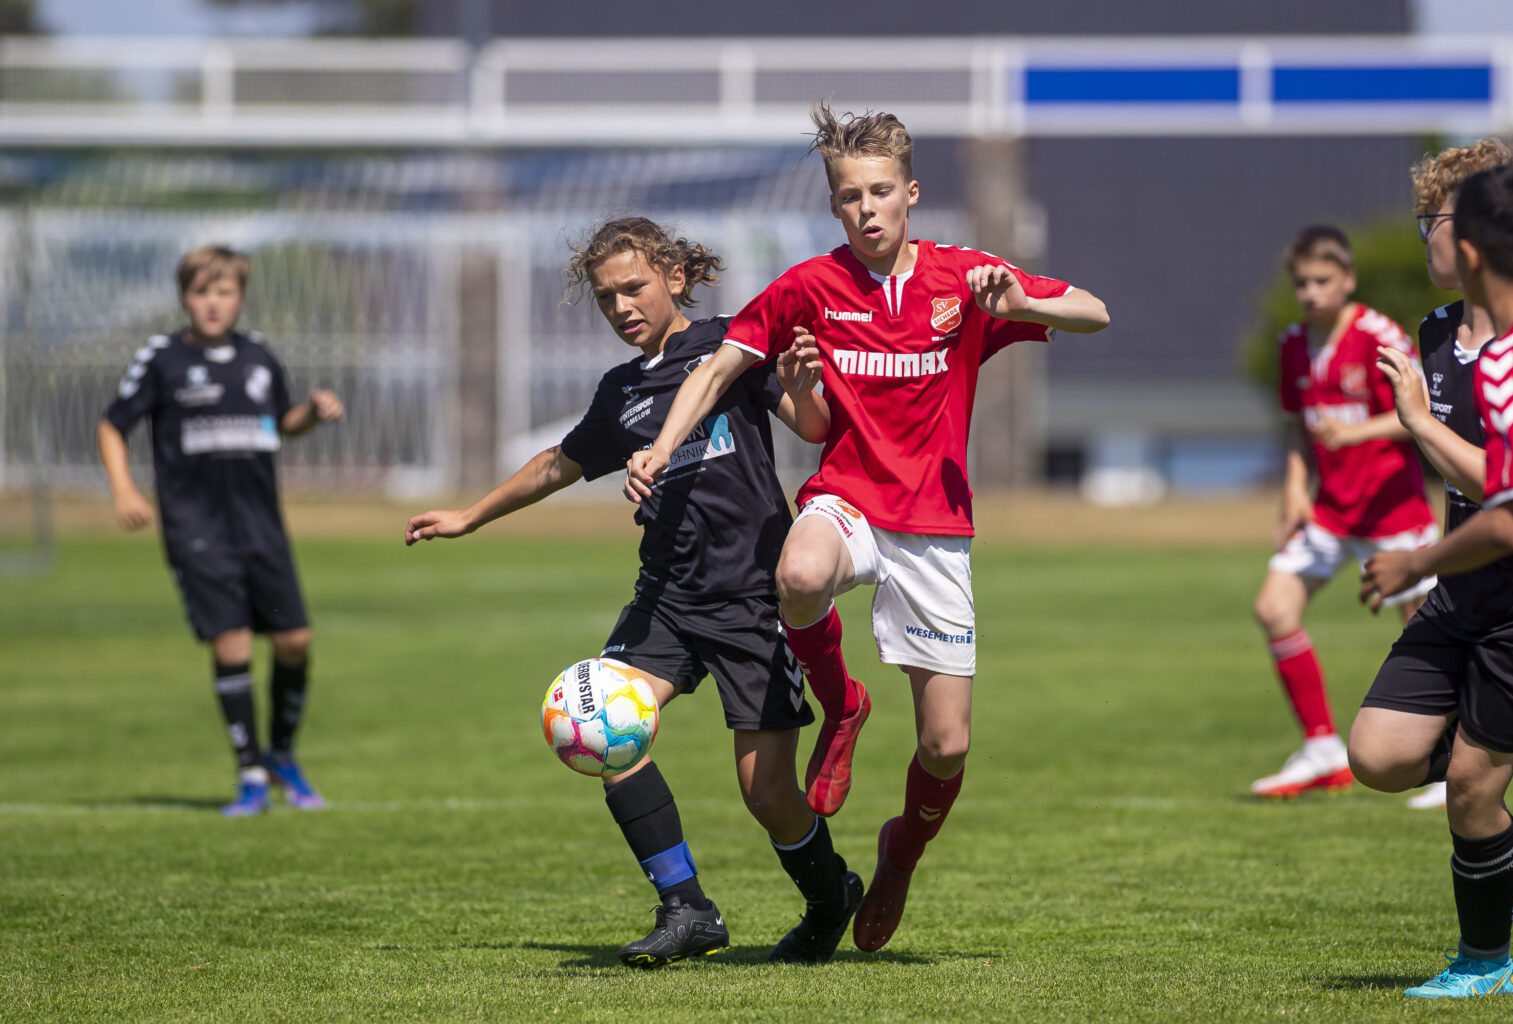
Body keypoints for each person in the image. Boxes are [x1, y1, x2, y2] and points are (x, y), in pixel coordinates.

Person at [623, 103, 1109, 953]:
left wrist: (1021, 296)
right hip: (848, 498)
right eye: (851, 196)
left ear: (911, 194)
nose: (868, 209)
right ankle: (843, 703)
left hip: (934, 523)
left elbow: (1095, 312)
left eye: (882, 191)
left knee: (947, 746)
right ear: (836, 204)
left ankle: (899, 856)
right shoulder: (811, 287)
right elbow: (722, 365)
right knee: (800, 572)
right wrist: (662, 446)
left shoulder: (964, 278)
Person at [405, 217, 863, 968]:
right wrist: (469, 515)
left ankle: (828, 897)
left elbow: (811, 426)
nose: (622, 307)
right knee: (598, 721)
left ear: (674, 278)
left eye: (634, 288)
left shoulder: (732, 343)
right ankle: (687, 908)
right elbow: (559, 463)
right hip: (667, 600)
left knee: (766, 795)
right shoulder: (621, 392)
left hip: (753, 597)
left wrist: (803, 385)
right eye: (606, 296)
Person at [1358, 162, 1513, 999]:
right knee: (1379, 754)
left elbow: (1510, 493)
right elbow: (1464, 489)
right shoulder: (1433, 334)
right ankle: (1487, 747)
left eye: (1433, 216)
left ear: (1470, 239)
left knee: (1470, 788)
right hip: (1465, 588)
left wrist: (1419, 426)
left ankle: (1485, 962)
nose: (1423, 229)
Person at [97, 244, 344, 816]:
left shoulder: (258, 355)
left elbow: (280, 424)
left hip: (261, 525)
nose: (212, 303)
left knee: (294, 641)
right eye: (201, 292)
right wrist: (124, 490)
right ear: (185, 297)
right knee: (231, 641)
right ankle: (250, 772)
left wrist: (310, 412)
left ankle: (281, 753)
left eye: (224, 292)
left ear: (240, 297)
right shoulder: (163, 358)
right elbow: (112, 425)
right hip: (196, 528)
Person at [1248, 225, 1438, 799]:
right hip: (1329, 512)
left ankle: (1449, 764)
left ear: (1348, 279)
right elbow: (1301, 430)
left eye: (1322, 280)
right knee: (1274, 608)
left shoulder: (1379, 336)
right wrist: (1294, 490)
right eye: (1301, 282)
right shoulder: (1292, 343)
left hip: (1391, 512)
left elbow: (1420, 409)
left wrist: (1353, 434)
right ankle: (1322, 746)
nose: (1310, 292)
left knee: (1426, 635)